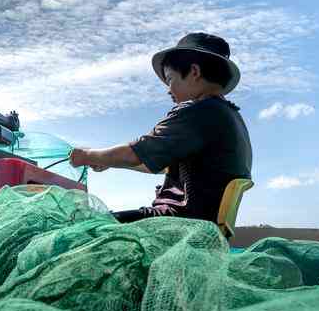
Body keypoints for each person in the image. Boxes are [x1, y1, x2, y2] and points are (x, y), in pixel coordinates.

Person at [69, 33, 252, 223]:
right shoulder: (228, 116)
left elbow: (136, 153)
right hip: (203, 222)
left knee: (88, 227)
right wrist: (110, 161)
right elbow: (155, 162)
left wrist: (87, 155)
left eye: (170, 78)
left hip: (181, 221)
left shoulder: (198, 112)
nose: (168, 88)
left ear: (194, 72)